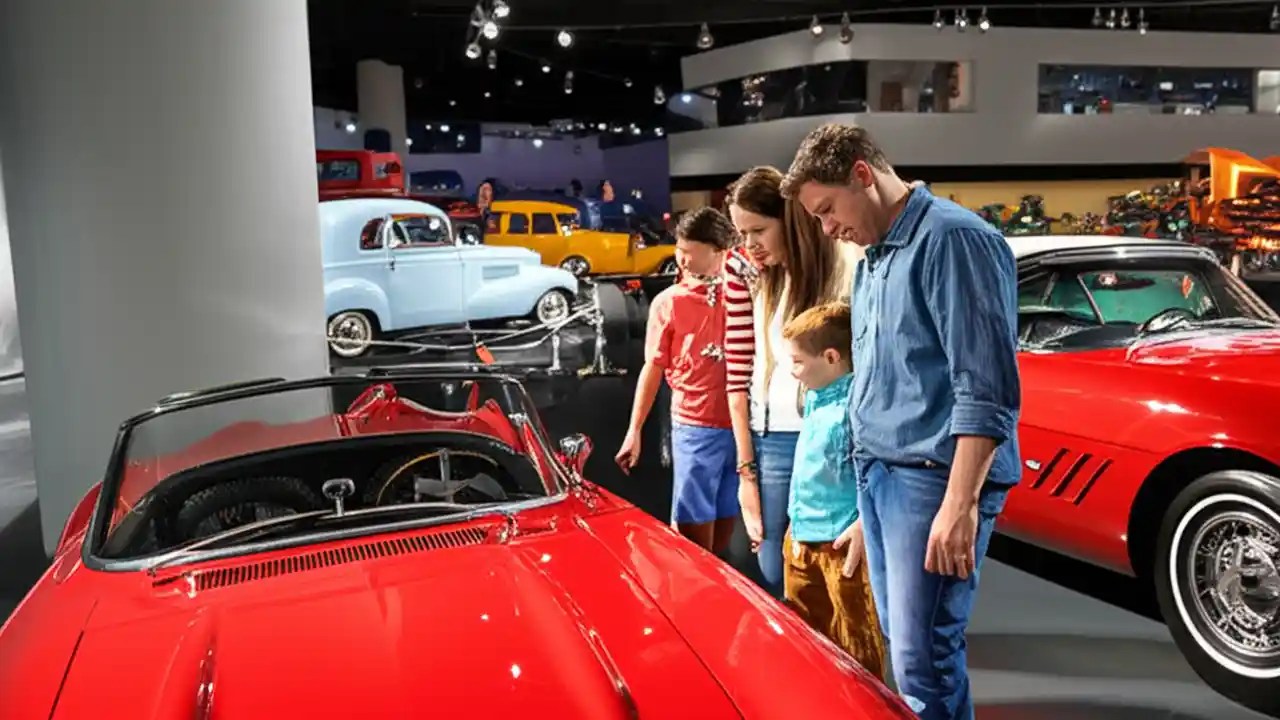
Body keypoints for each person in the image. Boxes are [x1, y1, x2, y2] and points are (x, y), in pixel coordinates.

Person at [781, 123, 1020, 720]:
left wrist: (960, 503)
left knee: (923, 659)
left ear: (863, 174)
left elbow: (985, 387)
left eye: (827, 209)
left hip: (931, 479)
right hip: (882, 480)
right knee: (902, 649)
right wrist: (866, 505)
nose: (826, 227)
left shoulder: (954, 240)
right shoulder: (872, 263)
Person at [723, 166, 860, 595]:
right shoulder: (761, 280)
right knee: (772, 565)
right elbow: (743, 374)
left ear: (791, 219)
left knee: (826, 573)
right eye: (741, 234)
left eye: (758, 230)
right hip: (770, 436)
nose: (749, 245)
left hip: (825, 437)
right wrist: (746, 470)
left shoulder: (844, 268)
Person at [616, 206, 740, 553]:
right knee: (692, 520)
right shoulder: (667, 303)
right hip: (694, 425)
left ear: (720, 251)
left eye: (690, 253)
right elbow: (652, 367)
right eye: (679, 251)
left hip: (743, 425)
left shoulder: (744, 295)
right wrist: (634, 430)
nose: (681, 260)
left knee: (729, 507)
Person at [779, 301, 886, 679]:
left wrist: (862, 524)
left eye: (797, 361)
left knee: (857, 645)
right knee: (807, 636)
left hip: (841, 545)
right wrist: (794, 523)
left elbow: (873, 469)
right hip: (803, 537)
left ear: (830, 356)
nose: (792, 372)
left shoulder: (858, 406)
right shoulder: (815, 398)